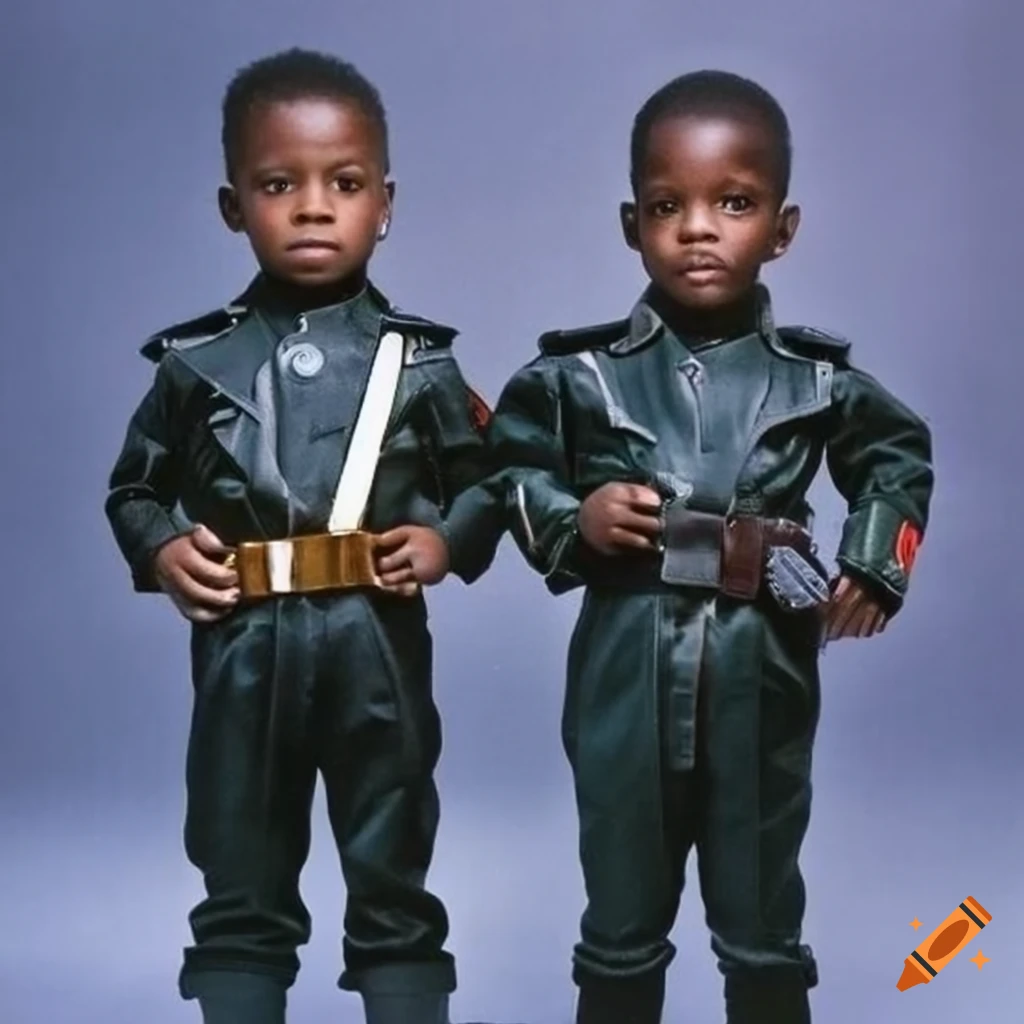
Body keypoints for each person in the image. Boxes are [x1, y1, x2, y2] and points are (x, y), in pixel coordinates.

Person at [475, 70, 934, 1023]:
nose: (698, 227)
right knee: (620, 917)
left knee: (763, 915)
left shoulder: (816, 380)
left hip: (761, 662)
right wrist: (576, 518)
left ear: (783, 226)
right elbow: (505, 473)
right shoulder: (576, 377)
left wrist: (873, 566)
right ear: (629, 222)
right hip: (623, 667)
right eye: (666, 205)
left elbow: (897, 458)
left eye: (734, 202)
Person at [105, 48, 494, 1024]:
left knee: (392, 865)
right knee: (240, 868)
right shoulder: (194, 366)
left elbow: (491, 486)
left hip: (376, 644)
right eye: (280, 184)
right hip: (244, 642)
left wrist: (447, 541)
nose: (314, 207)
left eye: (345, 183)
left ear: (385, 203)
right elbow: (134, 488)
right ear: (235, 205)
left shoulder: (422, 365)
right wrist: (159, 547)